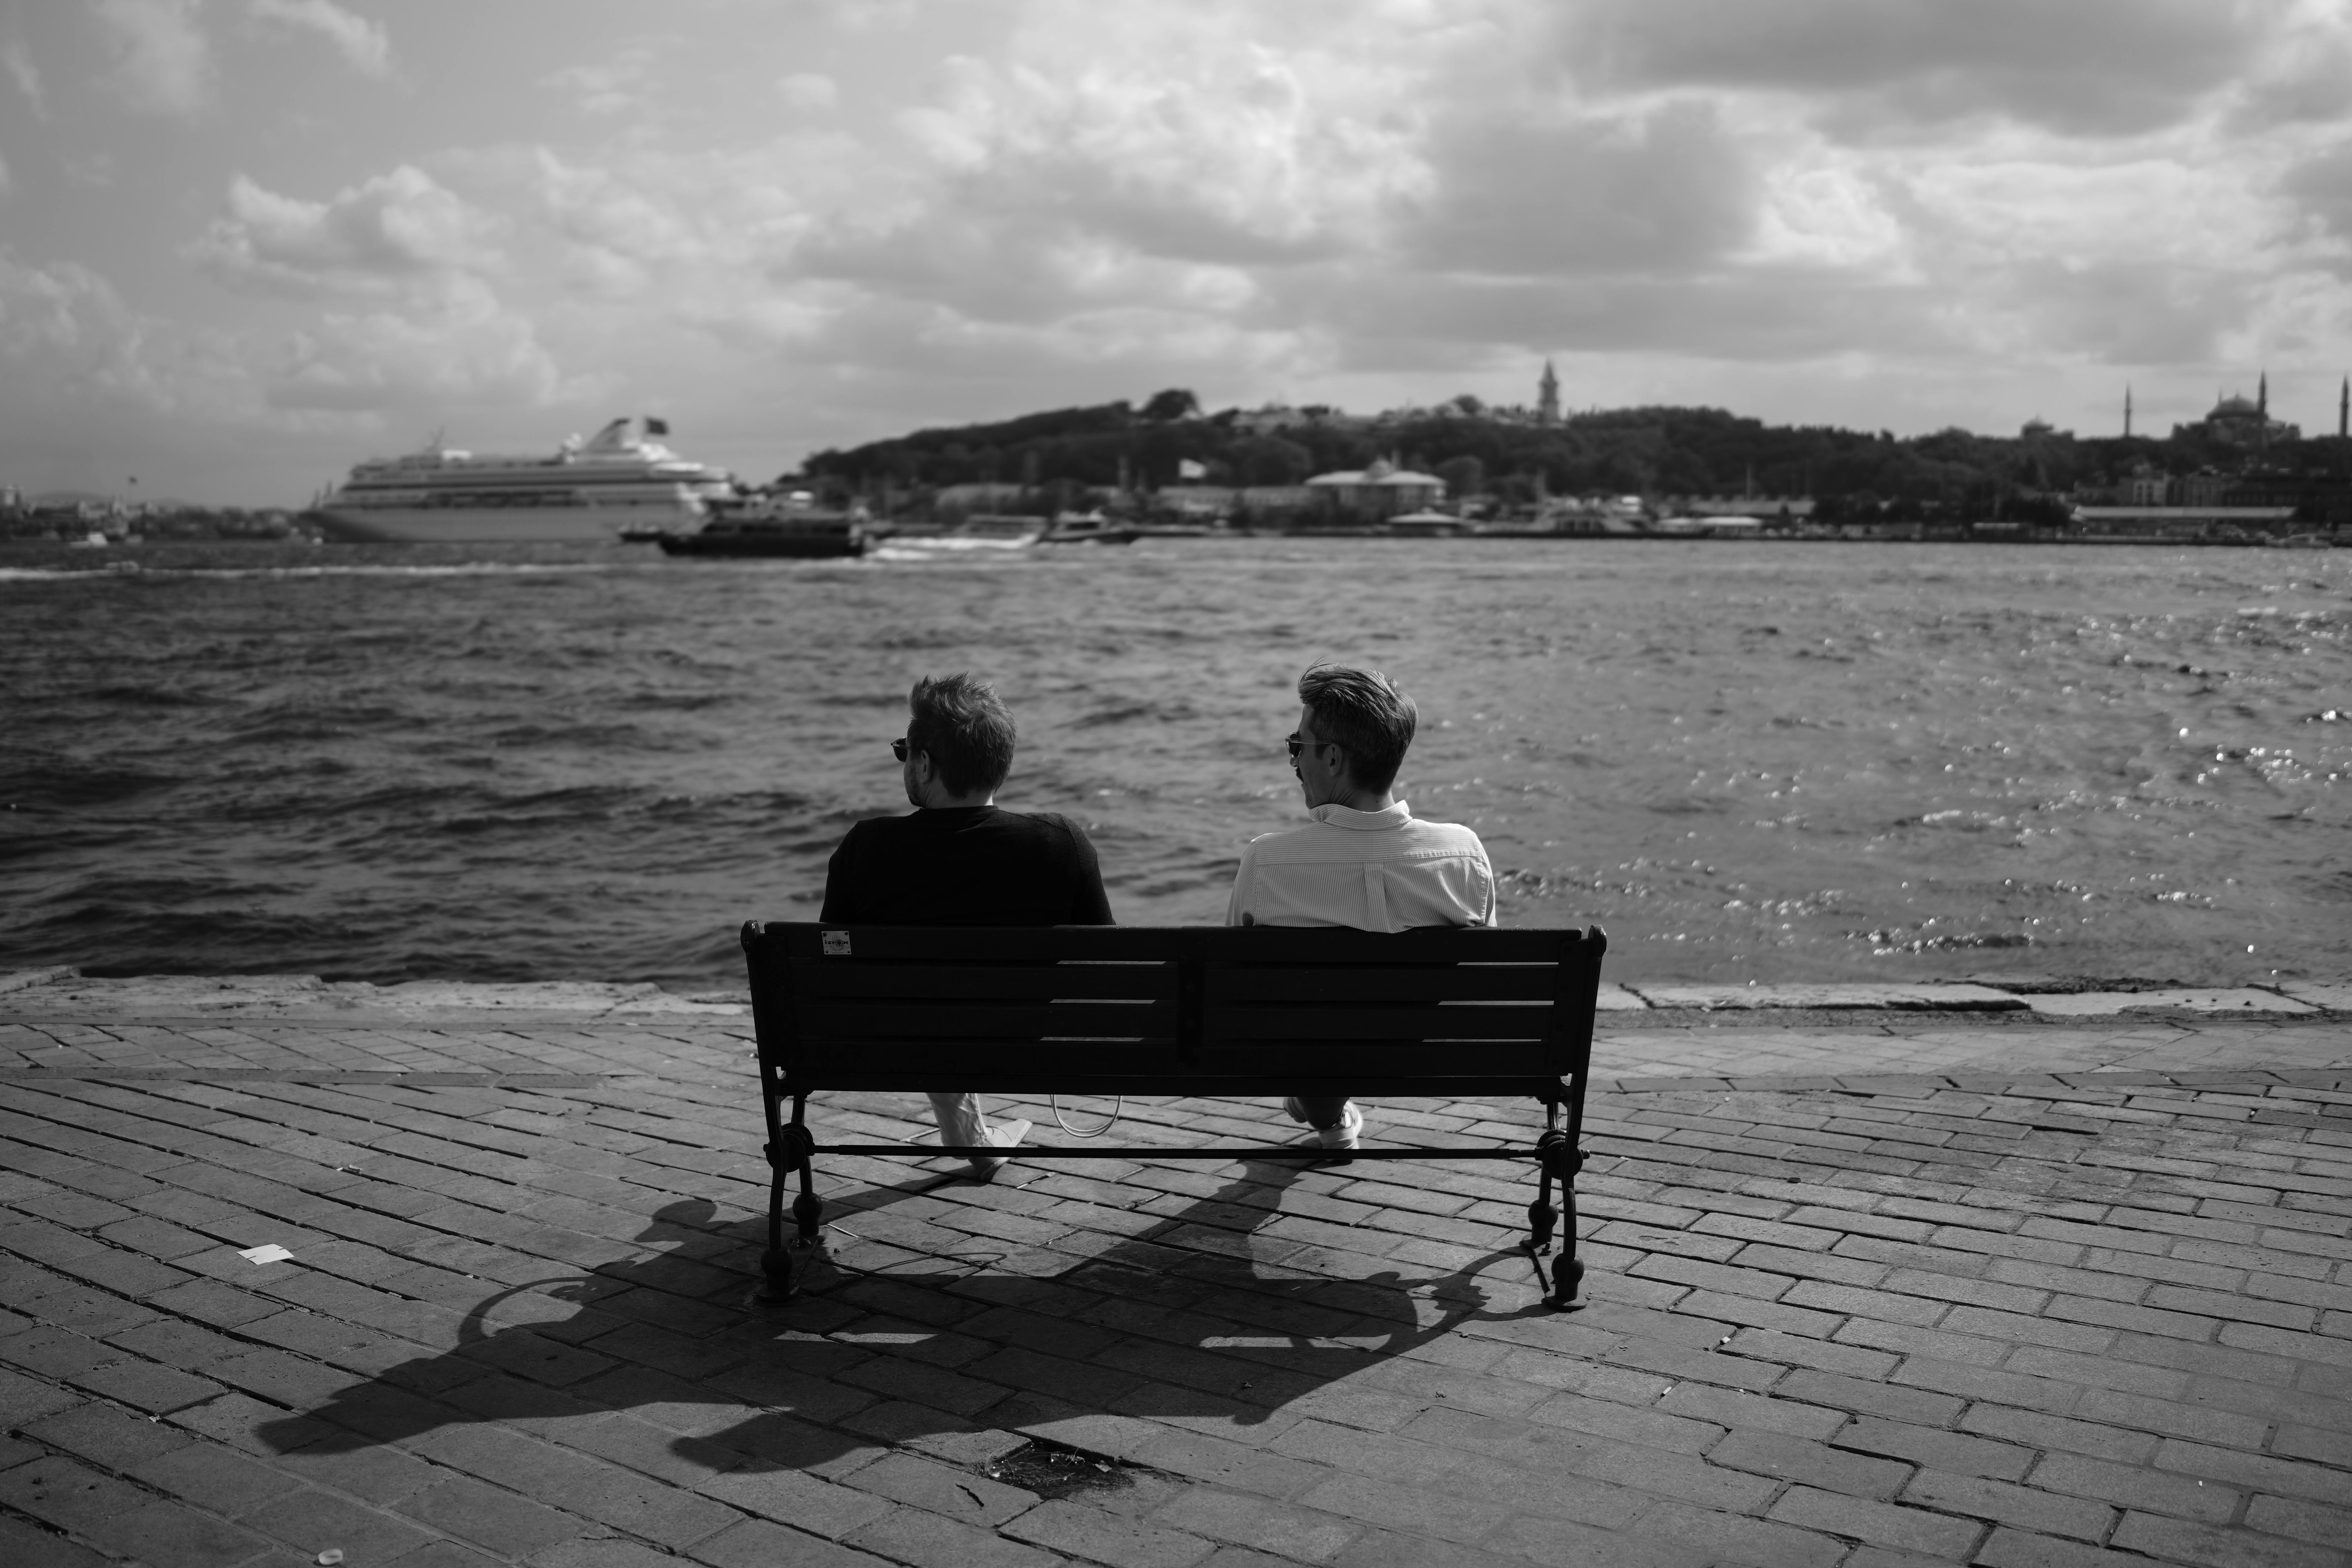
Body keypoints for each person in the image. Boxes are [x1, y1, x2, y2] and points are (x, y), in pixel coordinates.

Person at [821, 673, 1113, 1178]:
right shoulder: (1061, 843)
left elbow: (831, 966)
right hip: (1026, 1047)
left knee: (927, 1001)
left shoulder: (866, 849)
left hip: (891, 1047)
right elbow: (1107, 962)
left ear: (926, 763)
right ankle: (973, 1135)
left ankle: (970, 1132)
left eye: (904, 752)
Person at [1226, 664, 1496, 1156]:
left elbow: (1234, 985)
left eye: (1297, 748)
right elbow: (1483, 972)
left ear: (1331, 758)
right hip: (1421, 1051)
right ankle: (1329, 1114)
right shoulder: (1464, 853)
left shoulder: (1267, 860)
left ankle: (1326, 1112)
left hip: (1307, 1054)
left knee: (1313, 1024)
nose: (1294, 764)